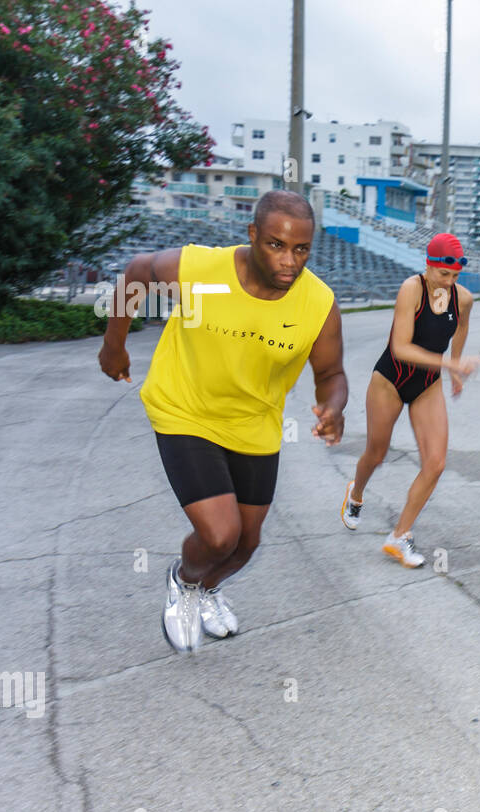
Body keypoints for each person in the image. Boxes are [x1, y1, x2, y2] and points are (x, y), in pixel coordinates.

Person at [98, 190, 347, 654]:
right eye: (276, 244)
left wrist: (334, 407)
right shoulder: (201, 270)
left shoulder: (318, 303)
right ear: (253, 235)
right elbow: (136, 273)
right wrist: (114, 345)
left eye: (301, 249)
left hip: (253, 424)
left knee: (245, 545)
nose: (289, 261)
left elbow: (331, 373)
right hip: (185, 410)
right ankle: (184, 582)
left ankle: (206, 588)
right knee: (219, 534)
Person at [340, 234, 478, 568]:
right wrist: (449, 363)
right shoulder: (411, 289)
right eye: (443, 275)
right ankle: (355, 493)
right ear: (428, 266)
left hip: (427, 385)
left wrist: (455, 368)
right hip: (390, 380)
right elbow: (400, 347)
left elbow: (460, 330)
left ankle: (399, 536)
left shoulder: (464, 298)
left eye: (455, 276)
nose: (449, 282)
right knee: (376, 453)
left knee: (436, 462)